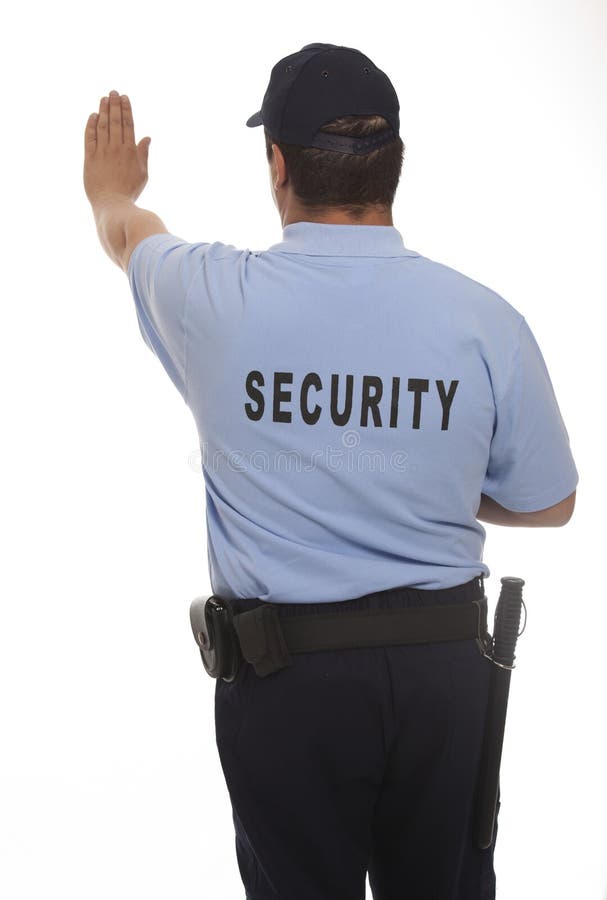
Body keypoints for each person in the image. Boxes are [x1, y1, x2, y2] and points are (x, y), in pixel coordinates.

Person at [84, 42, 578, 900]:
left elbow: (130, 235)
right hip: (442, 678)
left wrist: (114, 194)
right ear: (394, 167)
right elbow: (551, 503)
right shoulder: (486, 319)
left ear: (277, 163)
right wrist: (422, 480)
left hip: (286, 682)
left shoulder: (208, 295)